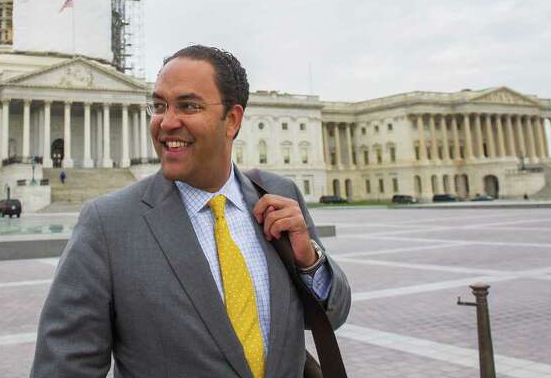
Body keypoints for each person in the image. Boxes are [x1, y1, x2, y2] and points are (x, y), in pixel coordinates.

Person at [31, 45, 351, 377]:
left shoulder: (279, 195)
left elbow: (334, 315)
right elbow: (64, 366)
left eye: (188, 106)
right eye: (158, 106)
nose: (166, 122)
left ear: (232, 120)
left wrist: (310, 263)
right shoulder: (108, 225)